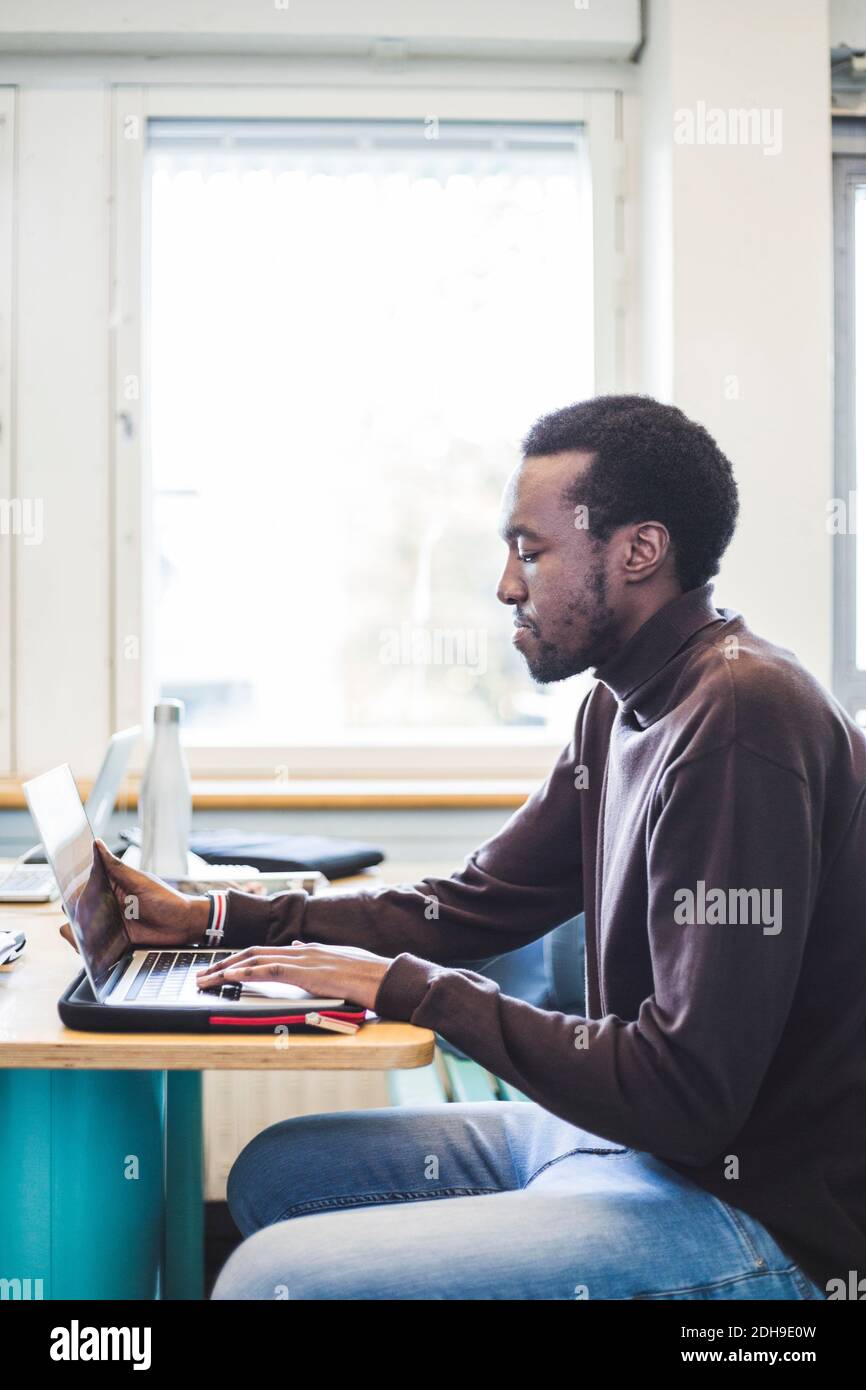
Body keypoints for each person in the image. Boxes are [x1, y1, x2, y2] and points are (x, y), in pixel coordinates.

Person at [85, 395, 866, 1300]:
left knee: (267, 1283)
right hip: (637, 1151)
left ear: (638, 551)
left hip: (757, 1218)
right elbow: (469, 903)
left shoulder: (739, 718)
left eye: (529, 552)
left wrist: (402, 987)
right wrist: (208, 917)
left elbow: (690, 1093)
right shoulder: (617, 706)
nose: (506, 586)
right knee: (279, 1173)